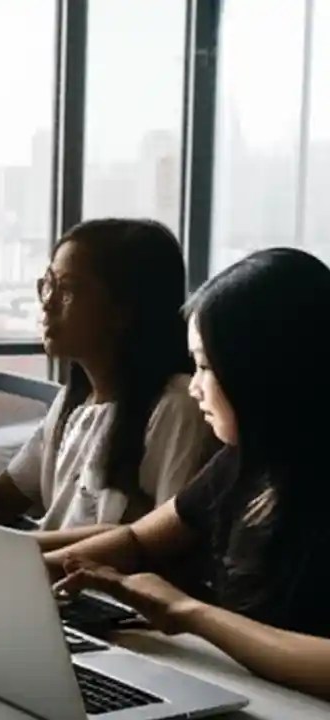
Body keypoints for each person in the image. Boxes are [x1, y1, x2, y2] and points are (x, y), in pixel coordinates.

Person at [51, 248, 330, 700]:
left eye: (204, 366)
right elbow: (138, 539)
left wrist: (184, 610)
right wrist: (28, 571)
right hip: (248, 690)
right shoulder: (246, 459)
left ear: (262, 371)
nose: (194, 385)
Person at [0, 219, 214, 549]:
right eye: (47, 284)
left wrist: (22, 554)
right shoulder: (74, 401)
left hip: (92, 594)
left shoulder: (177, 408)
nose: (48, 301)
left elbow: (157, 546)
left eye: (67, 289)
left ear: (123, 310)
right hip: (43, 578)